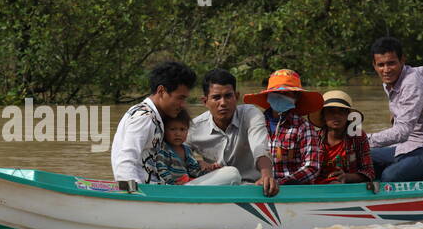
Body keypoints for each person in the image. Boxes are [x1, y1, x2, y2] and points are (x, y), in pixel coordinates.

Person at [111, 61, 240, 185]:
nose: (183, 105)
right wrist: (134, 195)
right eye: (180, 98)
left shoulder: (150, 114)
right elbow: (126, 159)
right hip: (149, 193)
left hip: (161, 189)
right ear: (161, 91)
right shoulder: (144, 117)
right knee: (232, 174)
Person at [366, 37, 423, 182]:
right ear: (374, 65)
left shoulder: (412, 83)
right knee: (356, 160)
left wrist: (360, 140)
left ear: (402, 60)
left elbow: (402, 132)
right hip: (405, 148)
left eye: (391, 63)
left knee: (390, 176)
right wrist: (406, 108)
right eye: (381, 65)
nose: (386, 70)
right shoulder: (391, 81)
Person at [186, 68, 278, 196]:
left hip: (252, 187)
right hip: (216, 189)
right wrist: (197, 163)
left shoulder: (250, 114)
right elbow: (178, 155)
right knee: (230, 173)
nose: (223, 103)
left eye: (228, 96)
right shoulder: (194, 128)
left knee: (232, 173)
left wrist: (266, 175)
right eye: (216, 98)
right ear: (205, 101)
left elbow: (260, 147)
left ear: (237, 96)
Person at [242, 69, 324, 186]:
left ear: (296, 97)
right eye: (276, 93)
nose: (280, 97)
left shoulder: (303, 128)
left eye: (286, 94)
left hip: (289, 188)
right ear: (268, 96)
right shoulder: (254, 123)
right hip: (255, 185)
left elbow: (311, 168)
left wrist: (279, 182)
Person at [310, 90, 375, 184]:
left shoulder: (358, 137)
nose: (336, 116)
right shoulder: (314, 138)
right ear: (323, 116)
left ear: (348, 115)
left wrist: (348, 177)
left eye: (341, 111)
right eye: (331, 111)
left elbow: (369, 172)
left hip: (346, 187)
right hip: (319, 186)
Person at [146, 110, 206, 184]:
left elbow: (194, 170)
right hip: (172, 187)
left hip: (187, 184)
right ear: (163, 130)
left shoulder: (187, 149)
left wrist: (205, 172)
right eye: (172, 129)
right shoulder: (163, 149)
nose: (178, 133)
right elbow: (161, 170)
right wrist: (173, 184)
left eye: (182, 129)